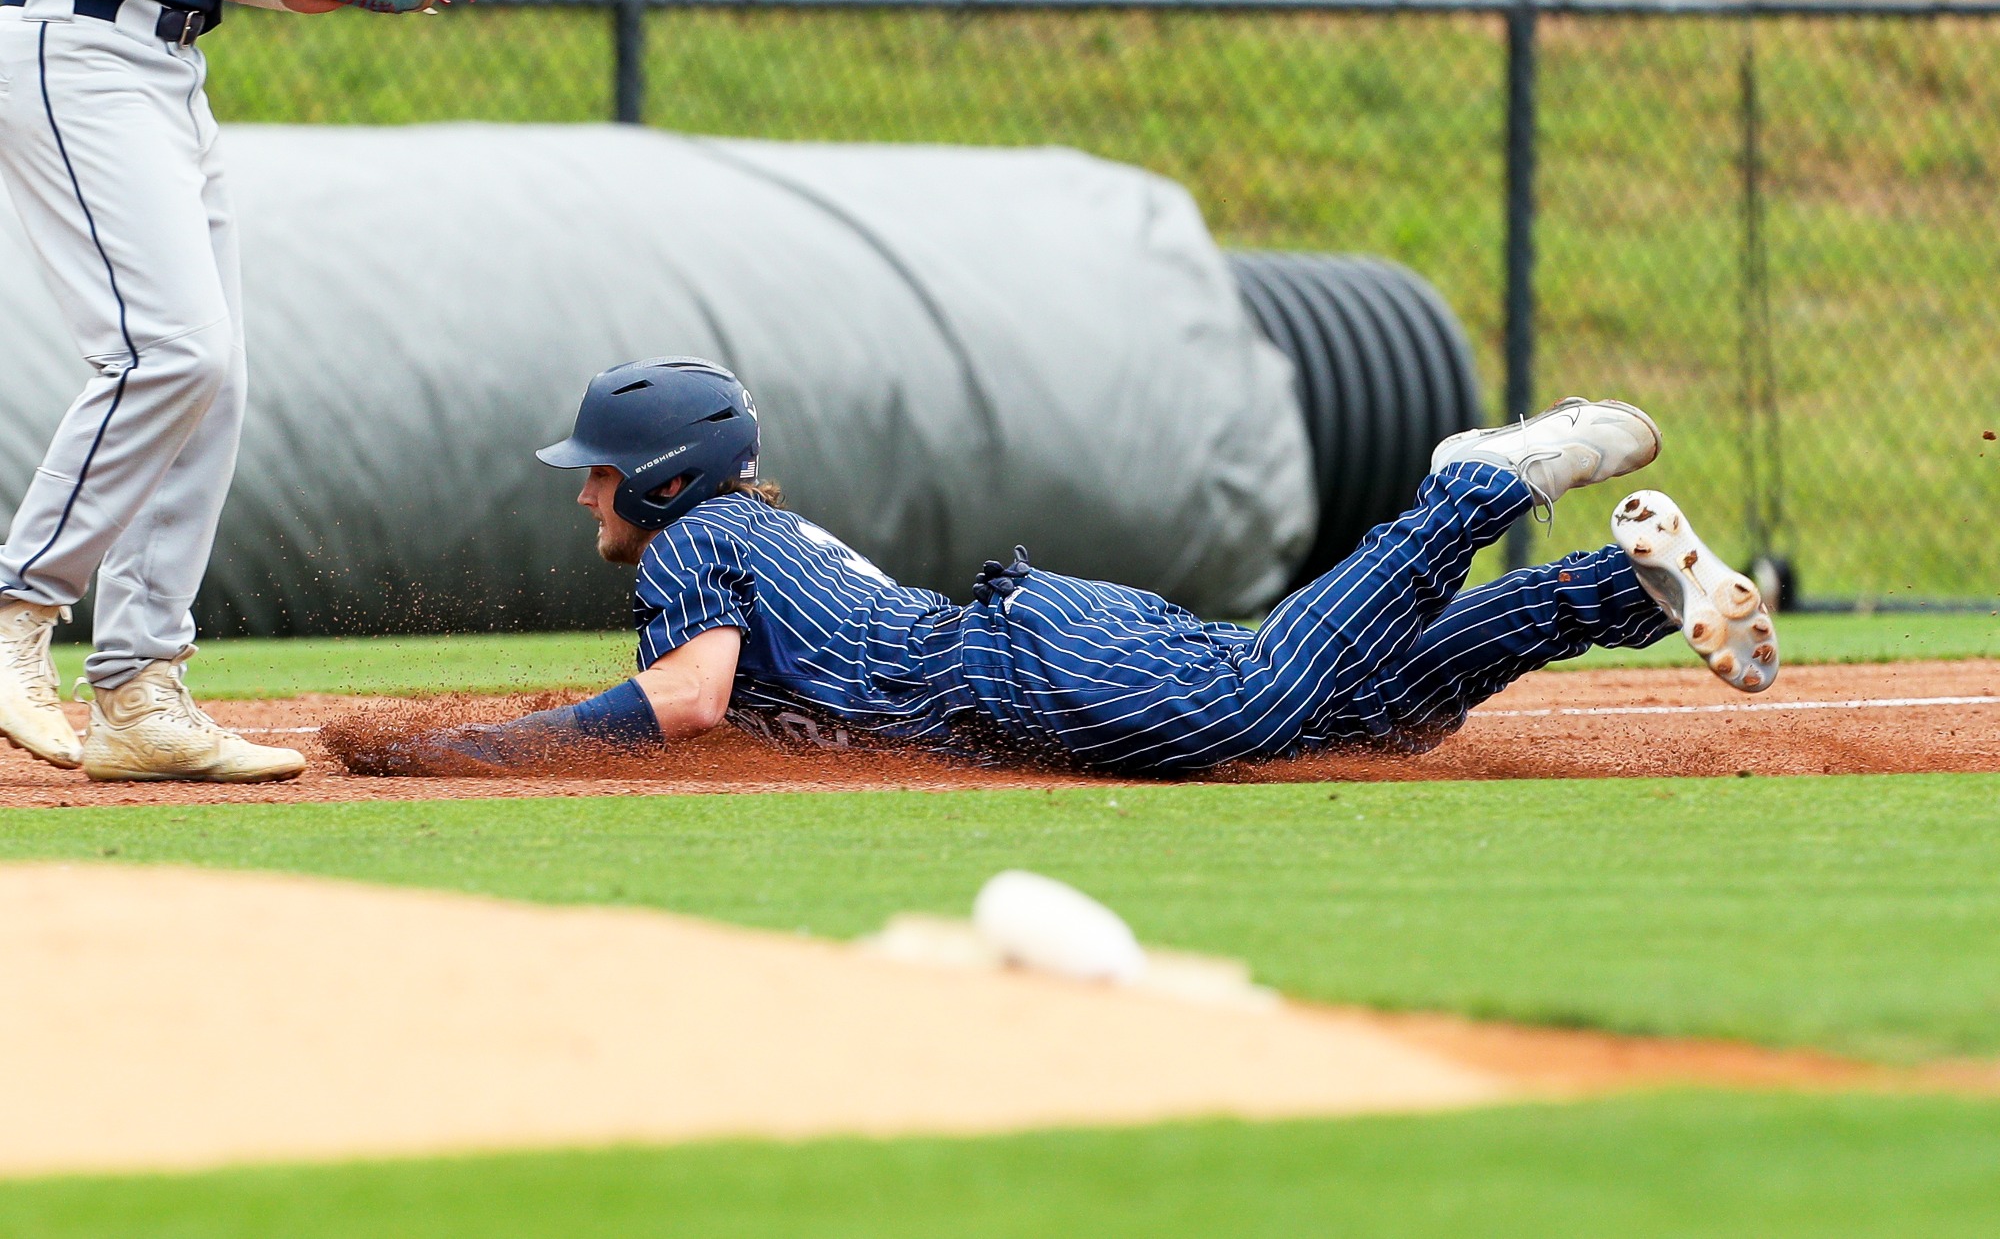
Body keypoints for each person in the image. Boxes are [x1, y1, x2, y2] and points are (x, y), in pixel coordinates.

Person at [391, 357, 1778, 777]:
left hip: (1030, 666)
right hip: (1034, 661)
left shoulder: (695, 537)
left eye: (597, 465)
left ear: (662, 476)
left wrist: (496, 747)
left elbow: (691, 695)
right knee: (1373, 716)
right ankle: (1614, 588)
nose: (583, 489)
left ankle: (1472, 485)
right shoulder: (736, 528)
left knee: (1253, 699)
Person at [0, 0, 345, 781]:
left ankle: (138, 690)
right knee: (172, 352)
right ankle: (16, 609)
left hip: (172, 68)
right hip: (73, 48)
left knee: (209, 385)